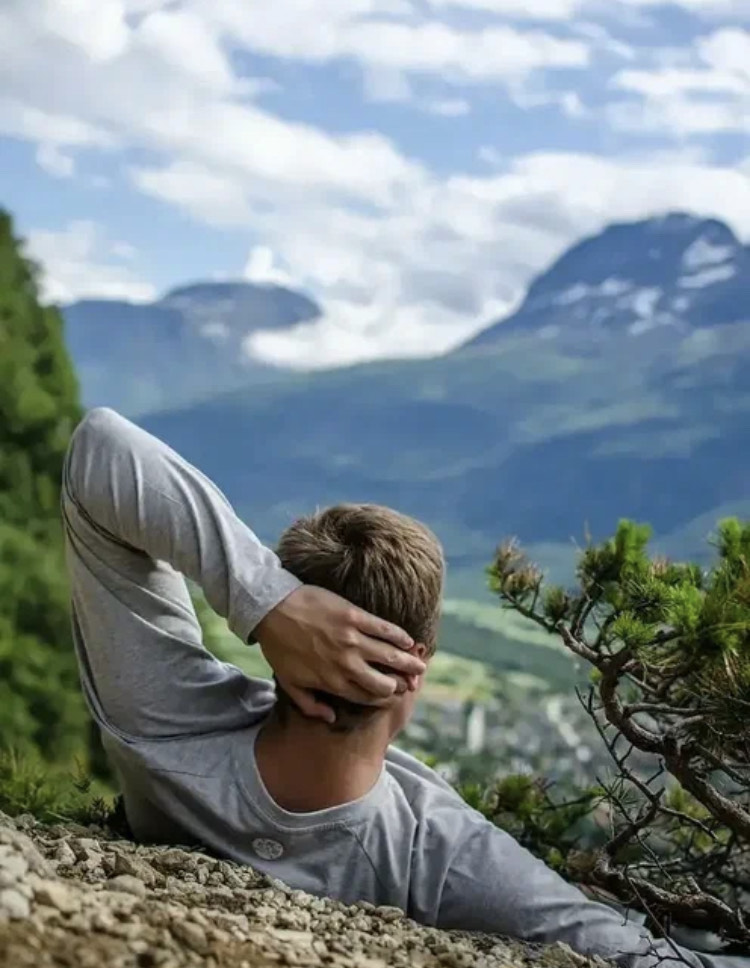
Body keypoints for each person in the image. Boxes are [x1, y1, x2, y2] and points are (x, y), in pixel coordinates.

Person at [62, 408, 744, 968]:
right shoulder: (439, 854)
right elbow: (639, 957)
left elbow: (101, 449)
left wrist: (266, 604)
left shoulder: (163, 718)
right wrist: (273, 602)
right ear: (412, 665)